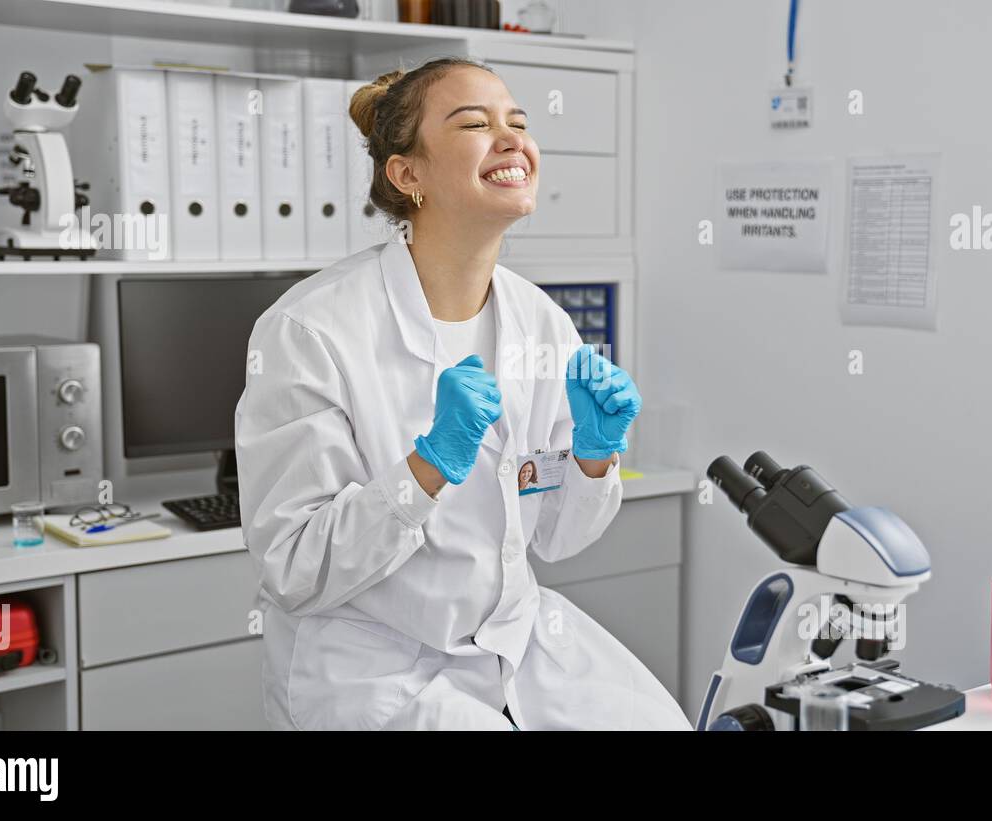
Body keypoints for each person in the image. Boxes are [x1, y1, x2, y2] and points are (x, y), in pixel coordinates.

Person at [234, 58, 690, 730]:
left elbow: (558, 540)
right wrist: (429, 466)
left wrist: (594, 455)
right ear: (407, 173)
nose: (512, 140)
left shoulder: (541, 322)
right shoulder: (310, 329)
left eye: (519, 124)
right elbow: (295, 566)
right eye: (476, 124)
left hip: (515, 644)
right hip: (375, 669)